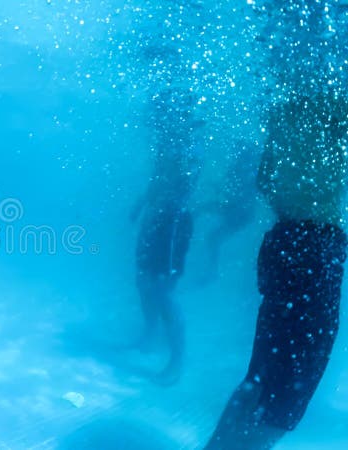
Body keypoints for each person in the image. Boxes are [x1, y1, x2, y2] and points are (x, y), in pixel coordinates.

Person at [205, 93, 348, 449]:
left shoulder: (282, 108)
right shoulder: (336, 104)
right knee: (292, 386)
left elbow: (265, 180)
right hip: (316, 245)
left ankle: (217, 445)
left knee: (262, 373)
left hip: (283, 240)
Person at [130, 88, 202, 386]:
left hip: (172, 223)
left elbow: (181, 186)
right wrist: (142, 204)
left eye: (157, 113)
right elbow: (159, 178)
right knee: (143, 281)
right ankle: (149, 336)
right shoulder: (168, 141)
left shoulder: (187, 143)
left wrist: (157, 208)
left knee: (163, 291)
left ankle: (177, 360)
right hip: (157, 219)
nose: (152, 119)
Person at [197, 140, 260, 281]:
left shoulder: (245, 169)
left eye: (237, 151)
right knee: (212, 235)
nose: (234, 154)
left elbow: (238, 192)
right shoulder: (243, 169)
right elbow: (233, 191)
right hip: (237, 210)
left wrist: (218, 191)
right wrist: (216, 188)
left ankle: (212, 272)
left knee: (212, 237)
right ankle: (212, 271)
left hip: (239, 212)